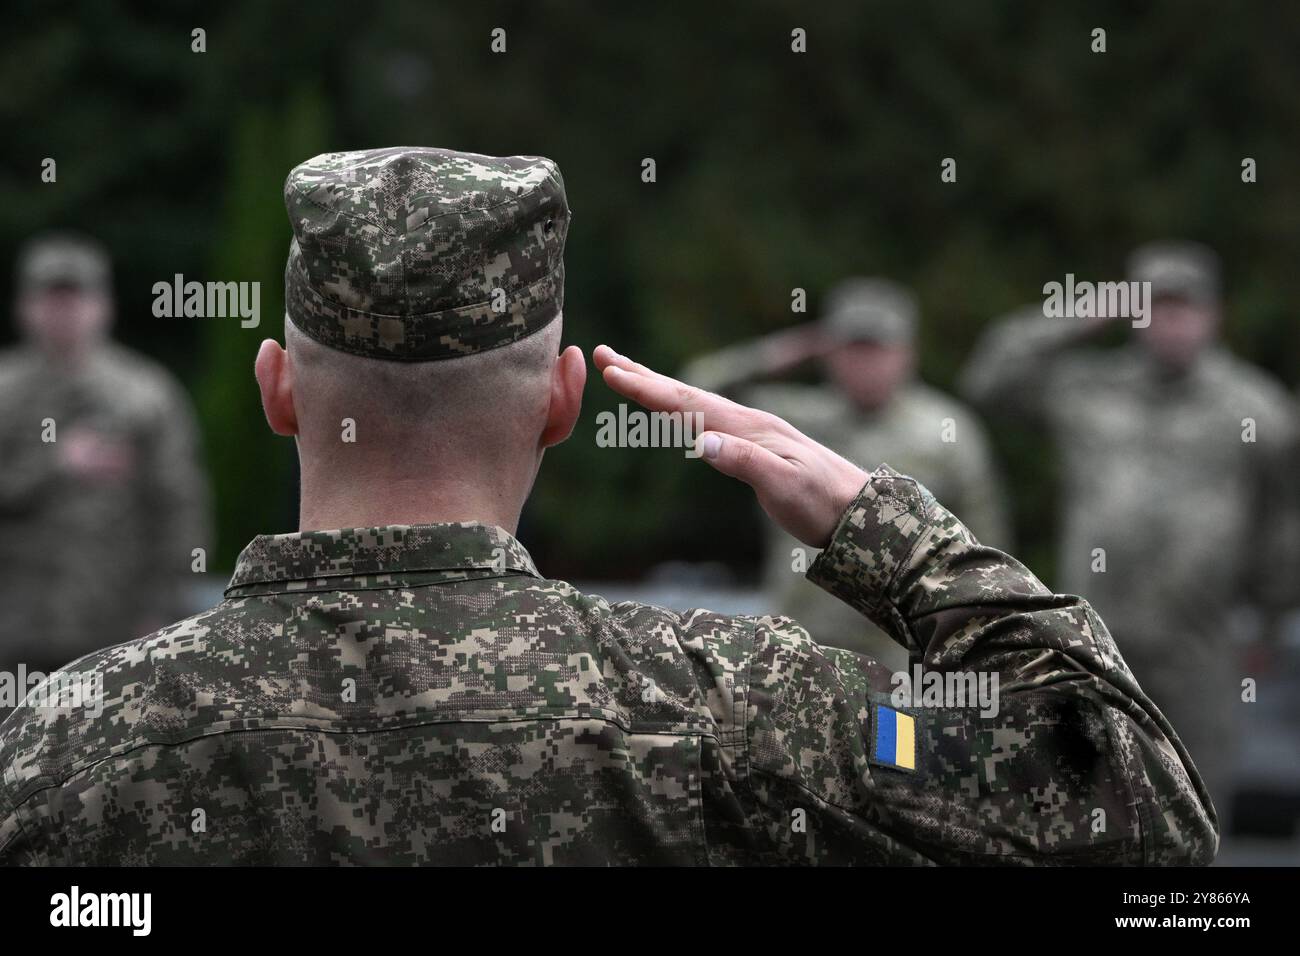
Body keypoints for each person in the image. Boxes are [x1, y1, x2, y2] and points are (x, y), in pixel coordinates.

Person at [0, 149, 1214, 865]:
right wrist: (886, 527)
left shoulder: (64, 738)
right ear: (564, 401)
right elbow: (1142, 810)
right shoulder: (736, 713)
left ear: (277, 389)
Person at [960, 241, 1300, 821]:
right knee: (1077, 810)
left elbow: (1280, 528)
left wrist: (1270, 623)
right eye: (1155, 306)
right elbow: (989, 381)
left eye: (1185, 307)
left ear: (1213, 314)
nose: (1172, 323)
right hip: (1092, 643)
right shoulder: (1088, 388)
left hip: (1200, 648)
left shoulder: (1256, 409)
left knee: (1197, 815)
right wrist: (1081, 316)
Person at [682, 278, 1009, 667]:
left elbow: (987, 547)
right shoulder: (794, 420)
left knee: (894, 731)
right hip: (797, 641)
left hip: (898, 650)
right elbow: (692, 396)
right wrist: (785, 351)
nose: (866, 365)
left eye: (878, 350)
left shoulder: (946, 432)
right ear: (828, 353)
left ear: (908, 353)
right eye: (852, 350)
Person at [0, 233, 211, 714]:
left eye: (77, 299)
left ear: (104, 306)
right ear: (25, 307)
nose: (64, 314)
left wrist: (162, 613)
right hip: (13, 627)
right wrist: (53, 465)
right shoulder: (4, 393)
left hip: (110, 630)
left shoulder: (145, 395)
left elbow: (180, 506)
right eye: (51, 299)